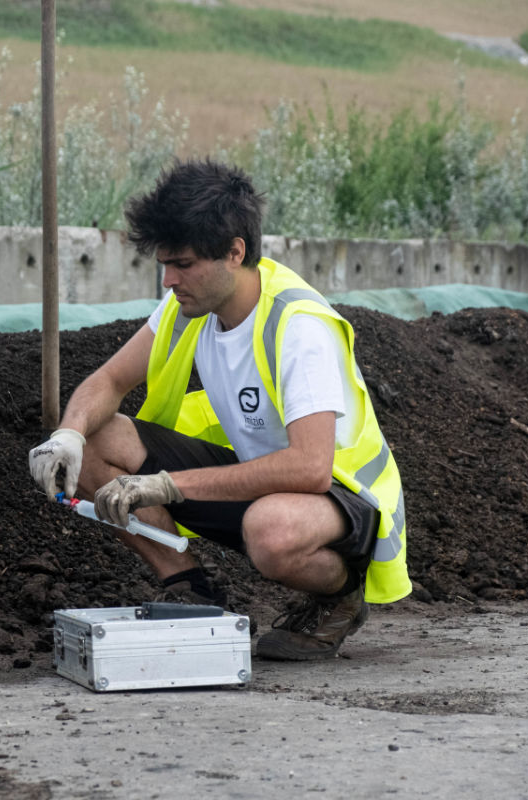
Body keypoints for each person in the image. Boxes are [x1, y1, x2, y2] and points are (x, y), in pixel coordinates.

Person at [28, 159, 408, 660]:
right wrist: (69, 435)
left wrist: (168, 485)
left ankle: (338, 597)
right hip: (256, 479)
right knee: (98, 438)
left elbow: (310, 469)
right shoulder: (190, 308)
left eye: (183, 265)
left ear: (235, 252)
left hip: (342, 501)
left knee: (269, 532)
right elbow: (110, 380)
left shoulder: (298, 327)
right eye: (164, 264)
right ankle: (191, 591)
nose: (168, 280)